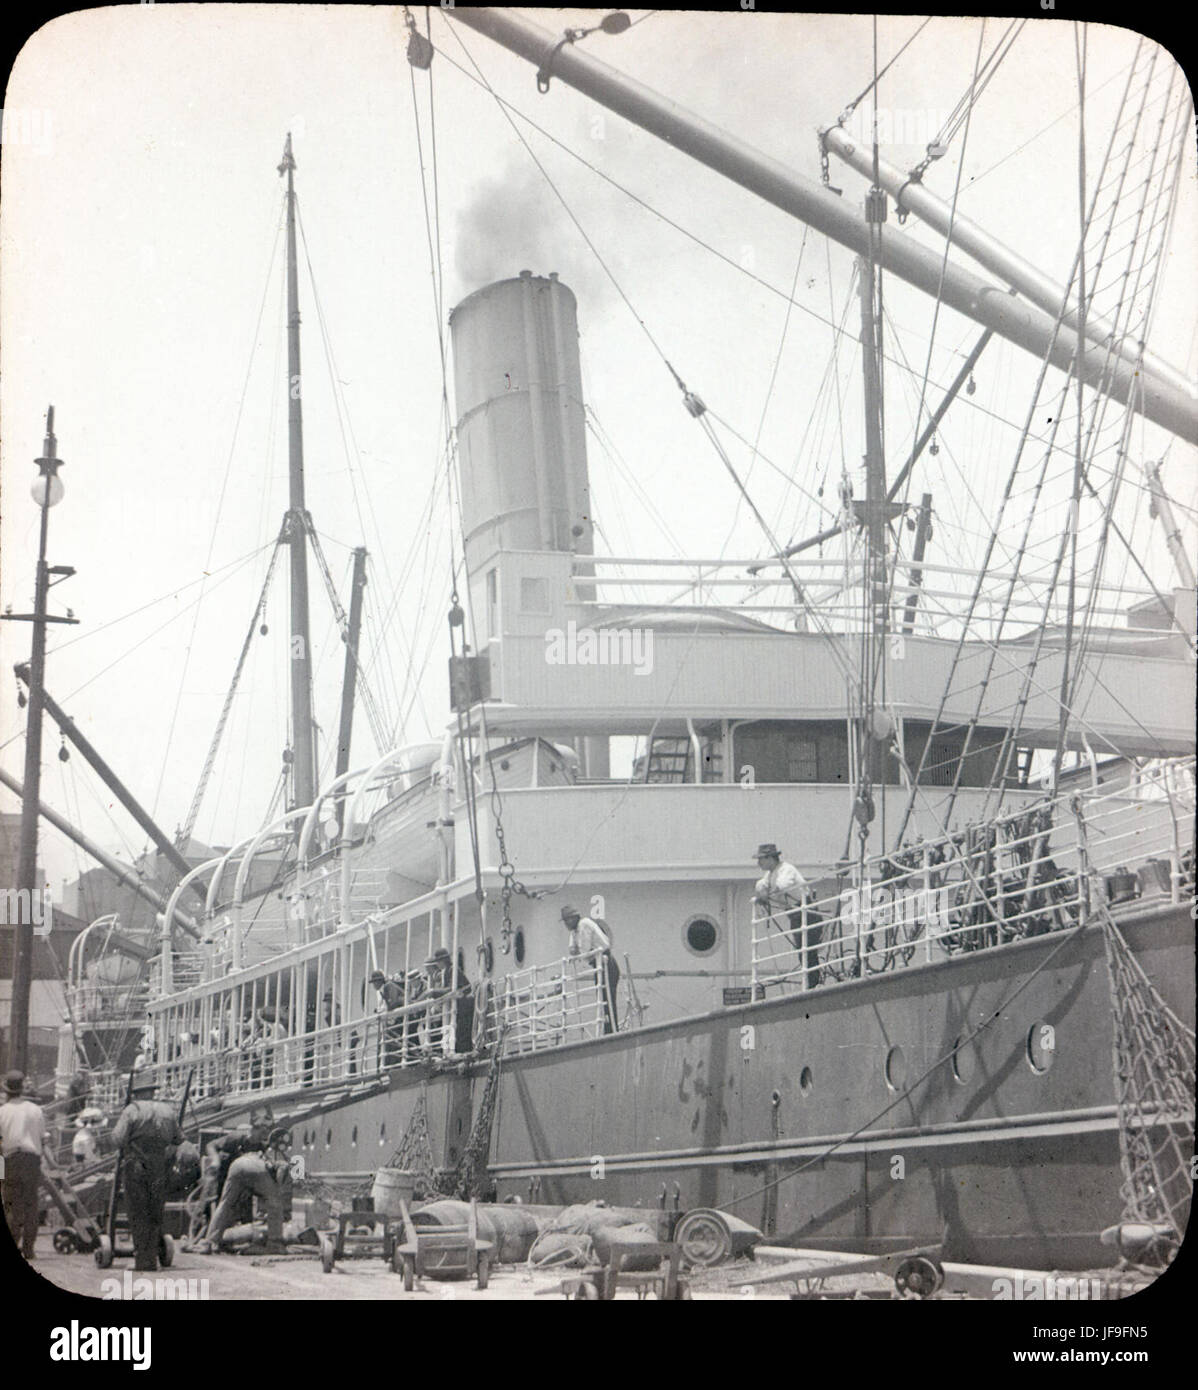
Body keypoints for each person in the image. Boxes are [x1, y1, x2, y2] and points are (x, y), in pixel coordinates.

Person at [111, 1076, 184, 1272]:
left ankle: (143, 1261)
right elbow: (179, 1139)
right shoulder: (167, 1110)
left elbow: (117, 1139)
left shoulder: (132, 1110)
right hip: (159, 1165)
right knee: (155, 1210)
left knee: (138, 1211)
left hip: (136, 1164)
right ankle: (152, 1255)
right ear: (152, 1092)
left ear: (137, 1093)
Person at [198, 1127, 293, 1253]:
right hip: (252, 1168)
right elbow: (280, 1173)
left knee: (225, 1204)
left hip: (236, 1167)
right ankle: (275, 1244)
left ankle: (209, 1242)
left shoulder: (261, 1145)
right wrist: (278, 1192)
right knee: (275, 1204)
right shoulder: (237, 1138)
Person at [754, 842, 822, 989]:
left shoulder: (786, 870)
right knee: (802, 949)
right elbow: (761, 884)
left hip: (807, 912)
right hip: (795, 914)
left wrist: (767, 893)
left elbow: (782, 885)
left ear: (770, 858)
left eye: (761, 859)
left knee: (808, 949)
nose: (758, 863)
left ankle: (813, 984)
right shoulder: (771, 873)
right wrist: (761, 892)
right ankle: (810, 983)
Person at [0, 1071, 49, 1261]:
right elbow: (43, 1140)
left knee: (11, 1205)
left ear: (6, 1091)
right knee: (31, 1204)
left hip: (10, 1158)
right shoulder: (35, 1110)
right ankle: (29, 1248)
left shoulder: (2, 1112)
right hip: (31, 1159)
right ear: (21, 1089)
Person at [560, 906, 620, 1034]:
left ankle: (612, 1031)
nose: (566, 924)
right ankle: (609, 1030)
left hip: (606, 963)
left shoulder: (583, 925)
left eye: (567, 920)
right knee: (603, 999)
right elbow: (572, 949)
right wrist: (575, 953)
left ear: (574, 918)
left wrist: (577, 954)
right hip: (599, 965)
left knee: (608, 999)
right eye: (564, 921)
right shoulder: (575, 930)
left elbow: (584, 951)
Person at [370, 969, 407, 1066]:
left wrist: (384, 1010)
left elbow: (393, 1001)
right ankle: (391, 1063)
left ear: (379, 981)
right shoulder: (385, 988)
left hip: (401, 1017)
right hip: (397, 1018)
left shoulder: (388, 986)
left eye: (374, 982)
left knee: (394, 1041)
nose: (373, 985)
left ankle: (393, 1064)